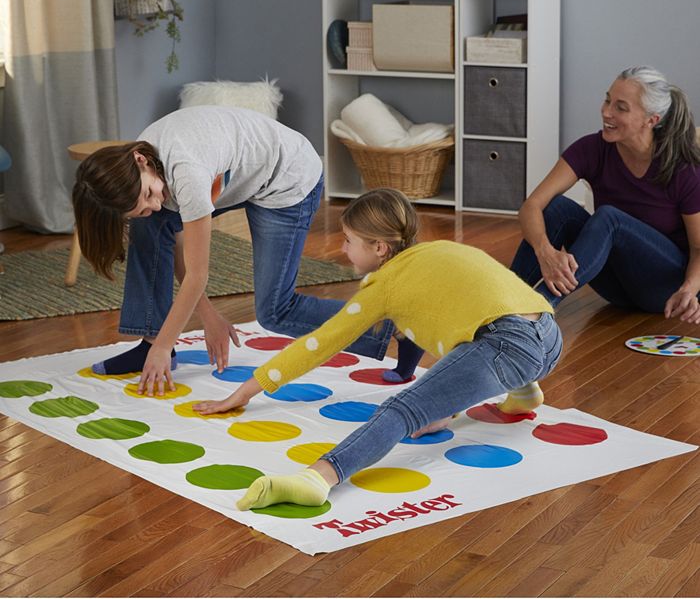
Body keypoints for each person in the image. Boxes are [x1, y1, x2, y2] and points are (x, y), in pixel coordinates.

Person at [194, 188, 562, 511]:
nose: (343, 248)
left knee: (402, 410)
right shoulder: (441, 249)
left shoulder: (384, 286)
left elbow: (318, 344)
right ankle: (524, 390)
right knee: (469, 346)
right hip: (548, 335)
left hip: (508, 349)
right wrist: (444, 405)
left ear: (380, 248)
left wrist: (244, 392)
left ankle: (318, 478)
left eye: (348, 240)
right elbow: (474, 313)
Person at [72, 106, 419, 396]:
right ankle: (151, 342)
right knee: (153, 227)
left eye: (149, 194)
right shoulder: (147, 167)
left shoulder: (184, 174)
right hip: (242, 176)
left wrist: (172, 341)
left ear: (140, 160)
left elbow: (197, 273)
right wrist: (207, 319)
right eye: (140, 207)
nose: (154, 203)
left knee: (276, 310)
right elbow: (178, 248)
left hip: (288, 179)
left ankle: (394, 328)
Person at [511, 66, 700, 324]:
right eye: (607, 100)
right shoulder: (592, 148)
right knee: (556, 208)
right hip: (617, 288)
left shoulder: (682, 169)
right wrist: (547, 253)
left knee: (610, 218)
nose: (606, 111)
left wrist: (688, 290)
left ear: (651, 120)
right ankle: (506, 301)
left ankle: (533, 311)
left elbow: (699, 247)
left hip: (664, 290)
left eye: (621, 107)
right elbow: (531, 206)